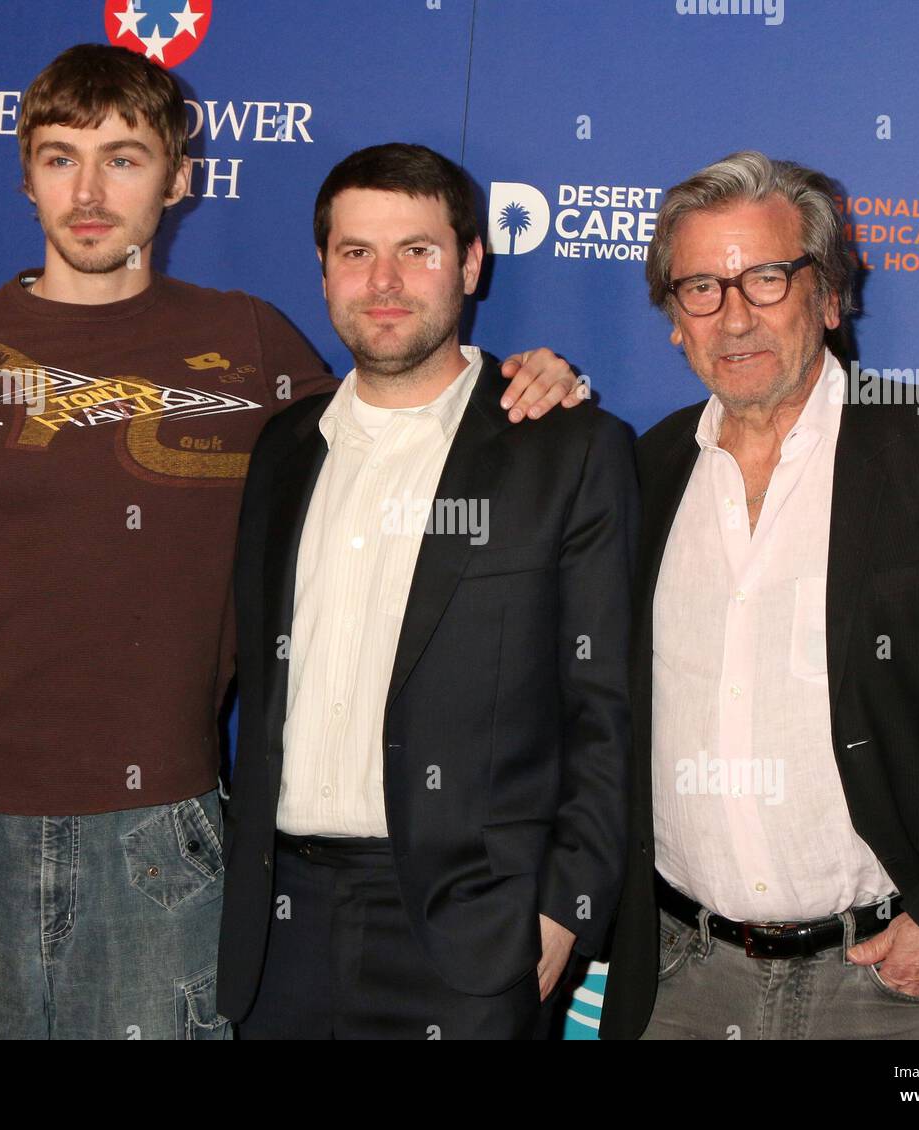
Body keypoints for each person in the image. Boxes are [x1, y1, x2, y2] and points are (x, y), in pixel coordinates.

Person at [0, 44, 581, 1040]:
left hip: (168, 836)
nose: (87, 190)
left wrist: (525, 380)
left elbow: (406, 413)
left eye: (122, 158)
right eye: (58, 156)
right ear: (23, 171)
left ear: (179, 180)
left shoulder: (248, 342)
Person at [601, 150, 919, 1041]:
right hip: (683, 982)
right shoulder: (637, 472)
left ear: (829, 295)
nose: (734, 316)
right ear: (674, 317)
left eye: (768, 279)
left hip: (903, 990)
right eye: (701, 286)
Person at [212, 143, 636, 1039]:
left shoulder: (564, 447)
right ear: (323, 271)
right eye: (356, 252)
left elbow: (607, 706)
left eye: (419, 249)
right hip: (277, 930)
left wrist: (565, 909)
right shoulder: (282, 449)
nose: (385, 281)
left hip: (472, 935)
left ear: (472, 264)